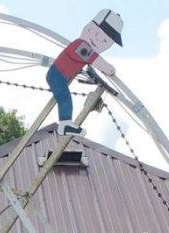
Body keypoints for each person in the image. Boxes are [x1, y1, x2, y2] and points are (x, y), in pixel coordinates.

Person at [46, 9, 123, 137]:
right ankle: (65, 124)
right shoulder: (81, 45)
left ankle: (66, 123)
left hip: (60, 75)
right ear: (89, 28)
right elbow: (95, 59)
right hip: (57, 74)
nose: (97, 40)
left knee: (64, 96)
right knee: (64, 97)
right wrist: (109, 68)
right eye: (96, 33)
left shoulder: (84, 47)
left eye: (104, 41)